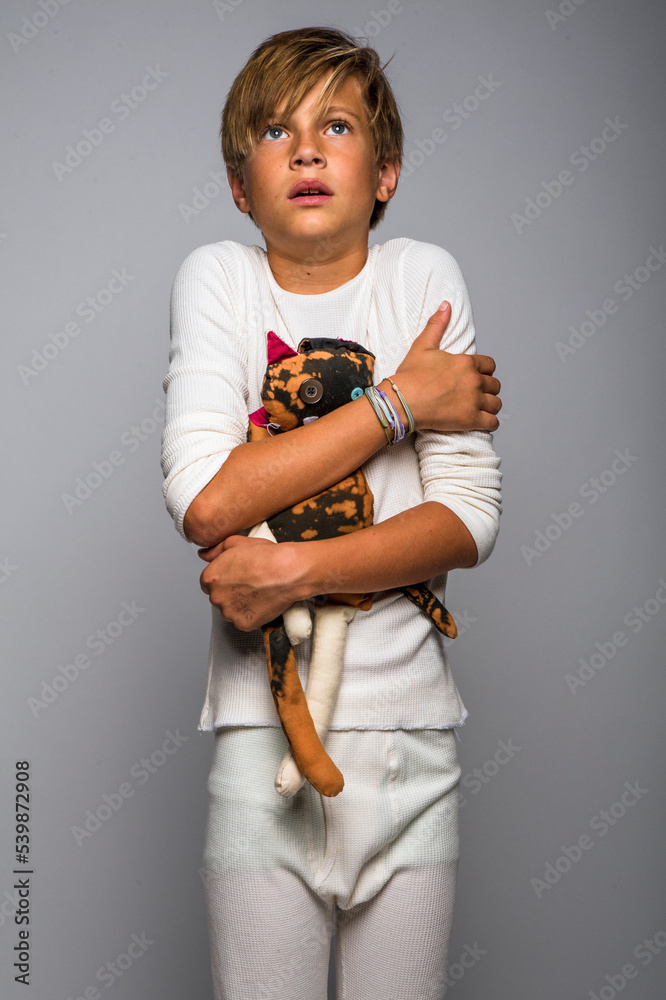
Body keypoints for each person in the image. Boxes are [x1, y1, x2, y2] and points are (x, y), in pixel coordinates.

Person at [160, 25, 502, 1000]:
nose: (306, 149)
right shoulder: (220, 278)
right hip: (257, 750)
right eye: (275, 132)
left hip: (412, 751)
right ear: (239, 185)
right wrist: (401, 403)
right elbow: (209, 498)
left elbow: (469, 520)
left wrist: (294, 569)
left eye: (337, 125)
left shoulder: (422, 279)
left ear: (385, 170)